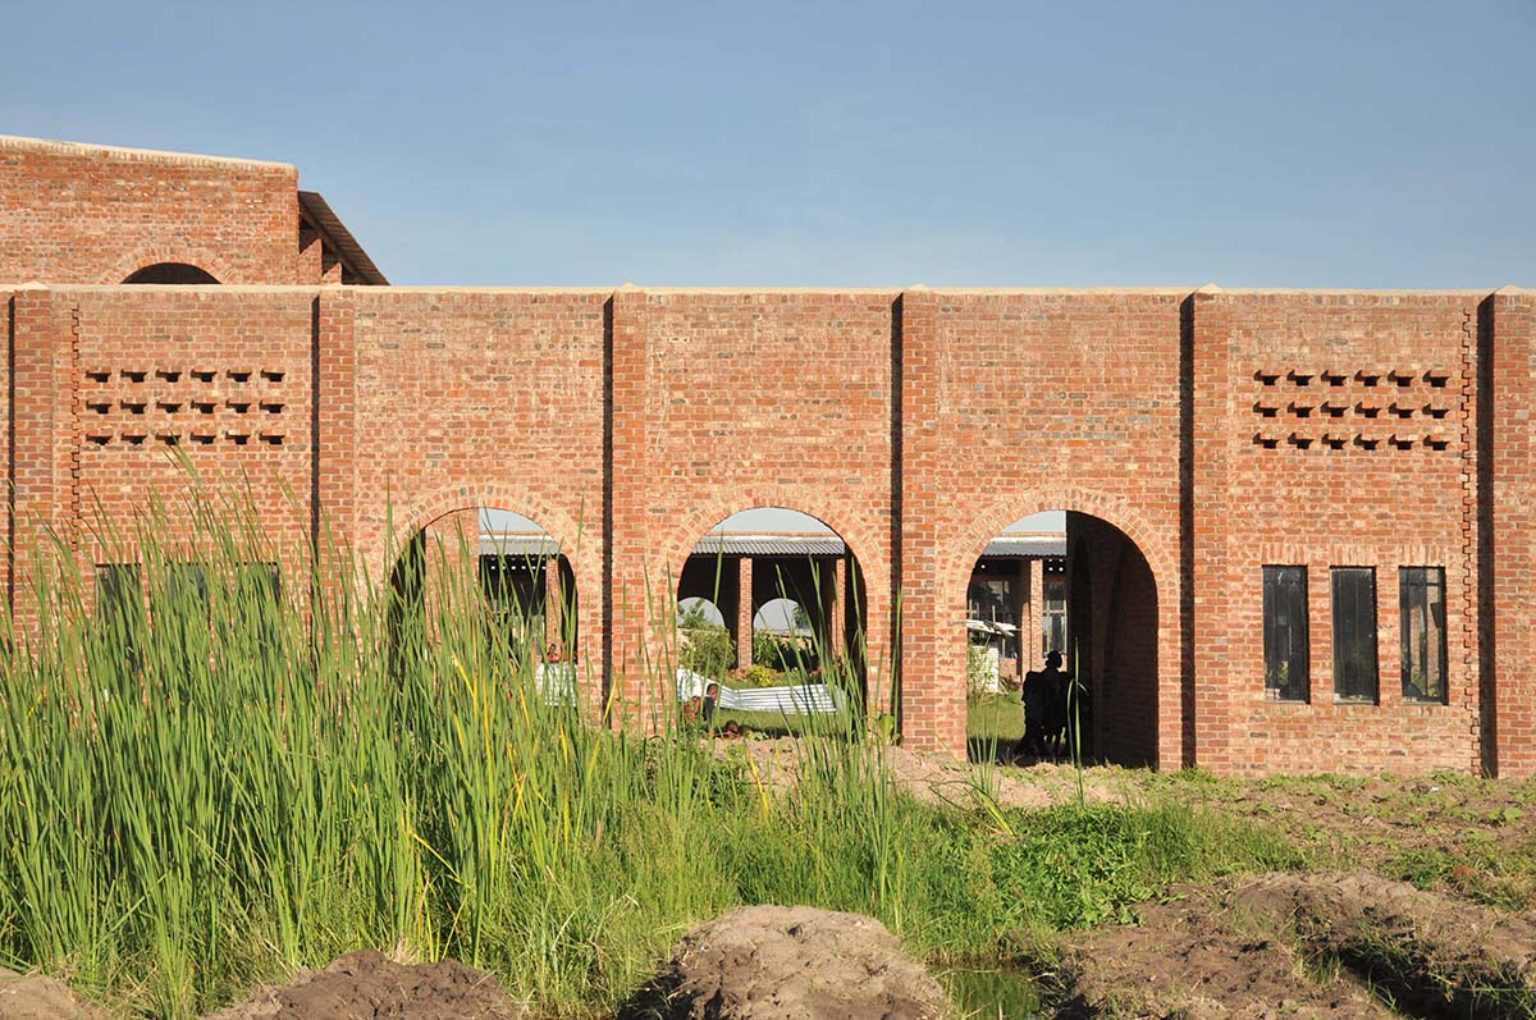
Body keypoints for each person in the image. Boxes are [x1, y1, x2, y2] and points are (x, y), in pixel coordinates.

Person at [1038, 650, 1069, 759]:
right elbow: (1053, 690)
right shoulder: (1051, 674)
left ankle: (1051, 747)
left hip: (1049, 704)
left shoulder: (1047, 673)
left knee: (1054, 728)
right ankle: (1048, 747)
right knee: (1054, 727)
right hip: (1051, 705)